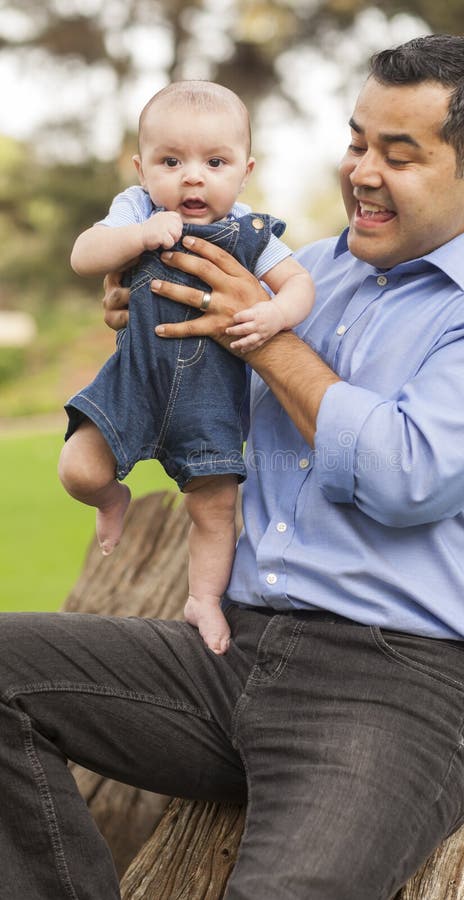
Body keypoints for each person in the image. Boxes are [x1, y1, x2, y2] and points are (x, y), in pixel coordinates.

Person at [0, 34, 464, 899]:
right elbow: (196, 417)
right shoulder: (310, 272)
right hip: (234, 652)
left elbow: (406, 474)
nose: (363, 171)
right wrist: (149, 325)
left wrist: (266, 335)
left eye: (400, 154)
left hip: (403, 684)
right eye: (358, 142)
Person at [59, 81, 315, 654]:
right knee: (78, 468)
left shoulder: (252, 232)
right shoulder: (137, 209)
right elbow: (83, 255)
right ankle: (110, 499)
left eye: (215, 161)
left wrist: (274, 315)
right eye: (171, 161)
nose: (192, 176)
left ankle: (203, 599)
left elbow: (299, 285)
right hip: (134, 382)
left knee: (215, 509)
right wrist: (139, 236)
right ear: (141, 167)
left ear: (245, 170)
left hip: (209, 396)